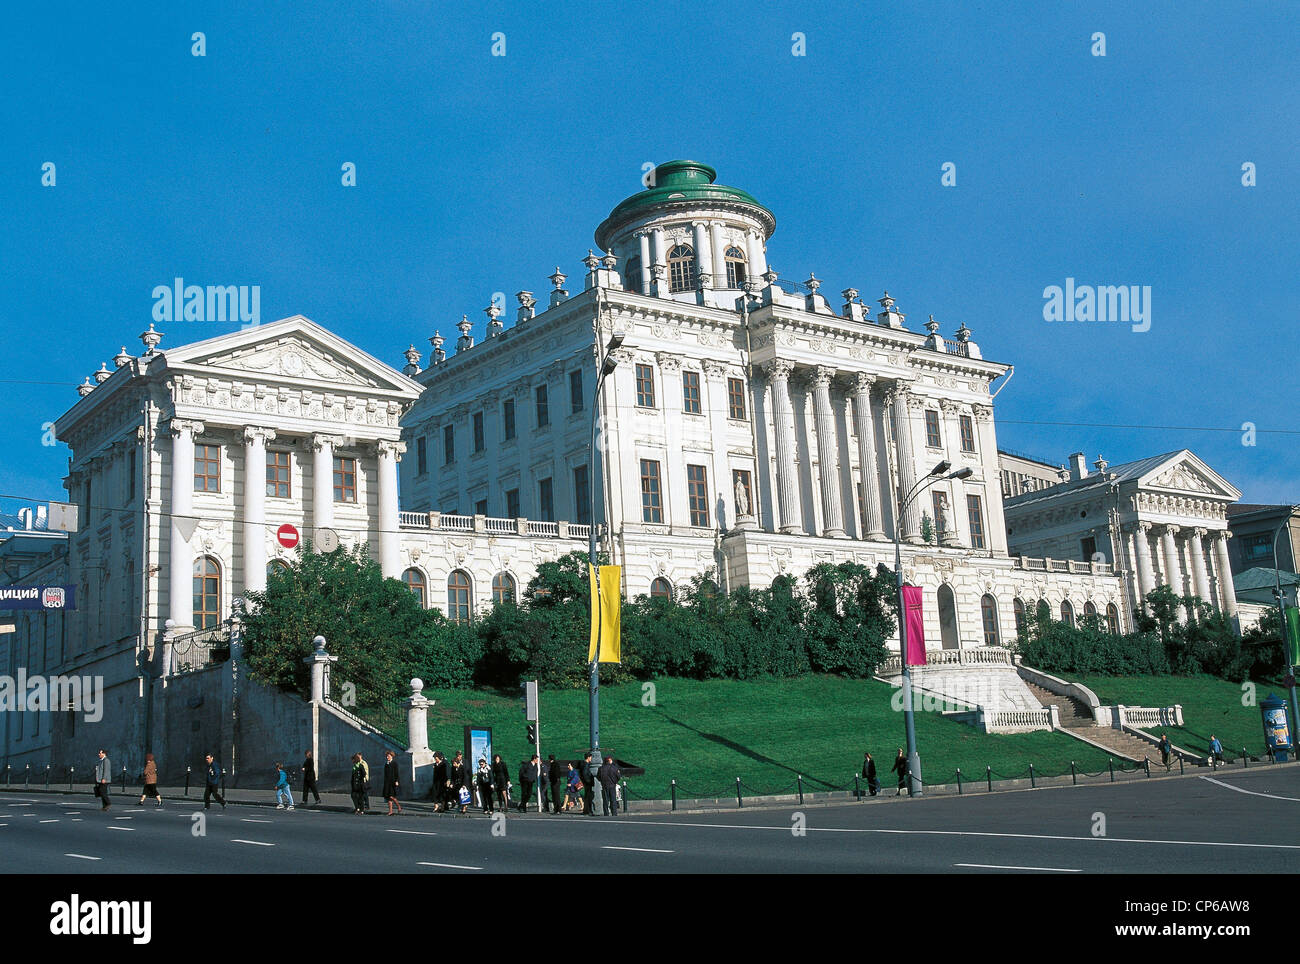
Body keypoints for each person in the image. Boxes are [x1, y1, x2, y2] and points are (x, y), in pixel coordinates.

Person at [383, 750, 403, 815]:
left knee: (392, 796)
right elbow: (385, 774)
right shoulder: (386, 764)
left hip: (393, 782)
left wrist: (397, 780)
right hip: (387, 782)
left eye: (388, 756)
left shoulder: (394, 763)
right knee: (388, 797)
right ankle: (390, 811)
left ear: (392, 756)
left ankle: (398, 806)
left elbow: (396, 773)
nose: (387, 757)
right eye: (387, 756)